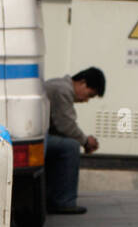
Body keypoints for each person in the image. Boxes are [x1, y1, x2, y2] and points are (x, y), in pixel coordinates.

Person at [42, 67, 105, 215]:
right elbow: (66, 125)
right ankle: (63, 201)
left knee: (64, 144)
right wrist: (86, 142)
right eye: (89, 95)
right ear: (82, 82)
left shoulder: (59, 85)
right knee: (70, 147)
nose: (86, 100)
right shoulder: (63, 91)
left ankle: (52, 197)